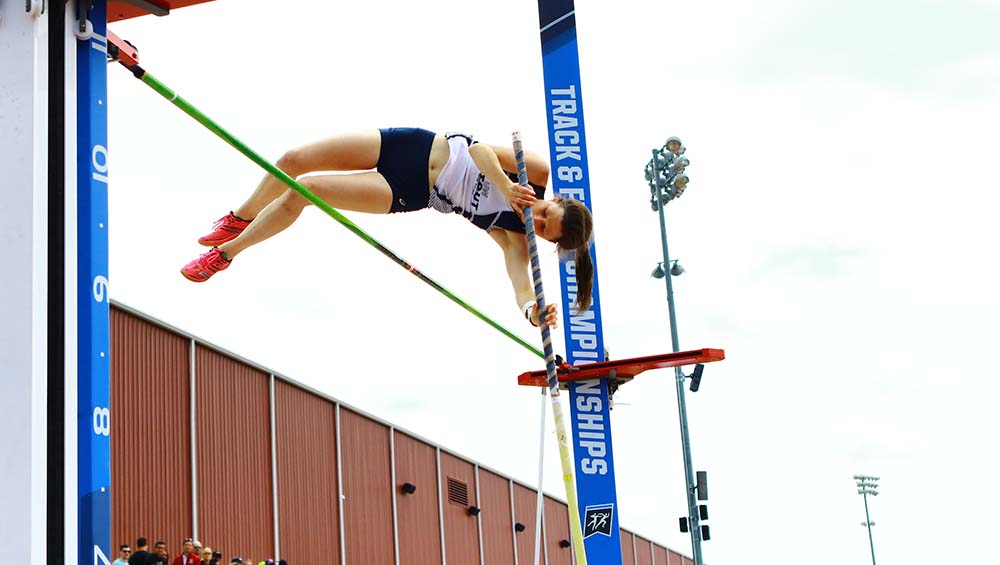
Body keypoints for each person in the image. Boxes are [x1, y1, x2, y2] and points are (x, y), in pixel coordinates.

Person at [180, 128, 594, 326]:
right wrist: (507, 185)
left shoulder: (513, 235)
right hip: (413, 145)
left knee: (304, 190)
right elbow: (479, 149)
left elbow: (520, 281)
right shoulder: (533, 170)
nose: (535, 219)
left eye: (543, 230)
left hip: (406, 189)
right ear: (554, 199)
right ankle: (239, 218)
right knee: (292, 159)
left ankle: (224, 255)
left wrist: (531, 312)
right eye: (544, 213)